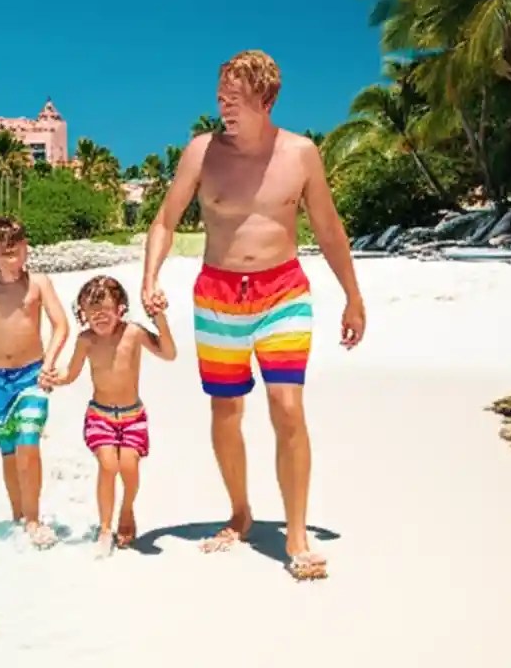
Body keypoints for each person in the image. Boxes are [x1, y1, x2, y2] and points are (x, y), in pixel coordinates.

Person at [141, 49, 366, 581]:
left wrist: (353, 297)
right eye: (221, 96)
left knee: (287, 406)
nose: (225, 106)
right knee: (226, 412)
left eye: (236, 98)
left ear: (266, 100)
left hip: (283, 292)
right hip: (217, 296)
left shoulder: (301, 154)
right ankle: (240, 513)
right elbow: (164, 220)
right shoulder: (201, 152)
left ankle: (296, 530)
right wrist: (149, 278)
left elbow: (330, 230)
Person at [0, 216, 71, 549]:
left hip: (31, 376)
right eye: (4, 251)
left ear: (26, 248)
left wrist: (48, 364)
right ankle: (18, 516)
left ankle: (34, 519)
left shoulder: (39, 284)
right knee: (8, 453)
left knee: (28, 444)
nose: (12, 257)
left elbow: (61, 325)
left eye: (16, 249)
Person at [46, 275, 176, 556]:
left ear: (120, 309)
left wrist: (160, 319)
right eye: (92, 313)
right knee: (108, 465)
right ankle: (105, 527)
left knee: (129, 466)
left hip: (133, 415)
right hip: (100, 415)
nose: (99, 318)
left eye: (105, 311)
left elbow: (169, 353)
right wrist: (56, 378)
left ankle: (126, 511)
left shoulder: (134, 333)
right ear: (83, 314)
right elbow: (71, 373)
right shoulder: (86, 341)